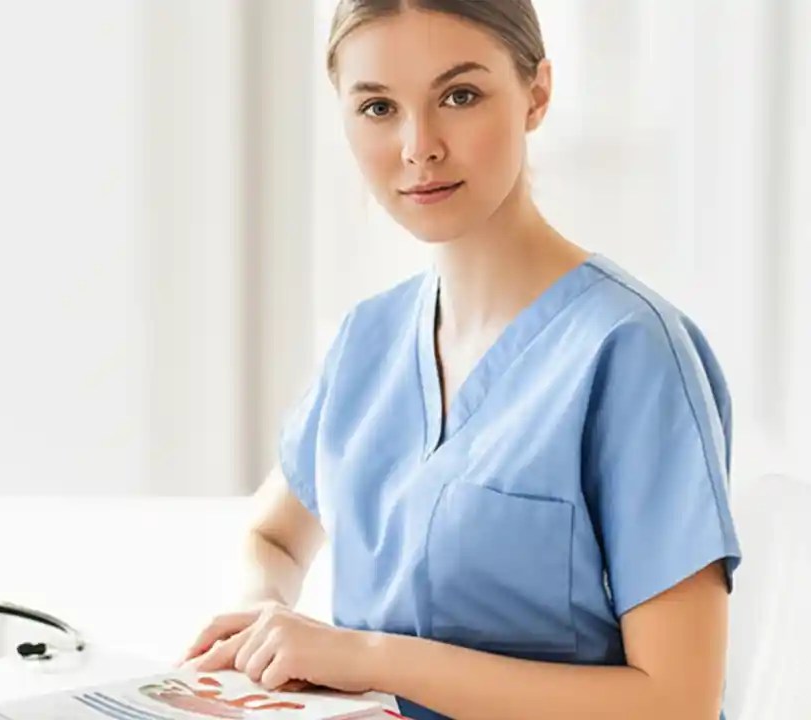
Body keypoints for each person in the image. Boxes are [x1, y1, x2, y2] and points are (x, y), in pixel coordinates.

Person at [179, 2, 743, 718]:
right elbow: (272, 536)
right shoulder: (369, 339)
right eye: (378, 108)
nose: (419, 147)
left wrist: (366, 658)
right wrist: (263, 615)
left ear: (536, 94)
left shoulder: (632, 353)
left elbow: (678, 702)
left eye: (459, 96)